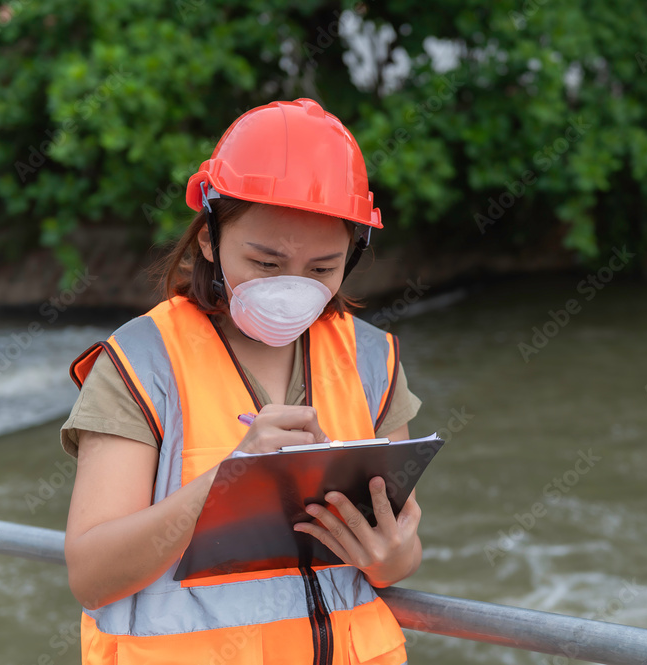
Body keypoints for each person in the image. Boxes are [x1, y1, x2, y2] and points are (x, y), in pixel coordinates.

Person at [60, 98, 423, 665]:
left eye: (323, 268)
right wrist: (226, 483)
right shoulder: (139, 363)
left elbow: (399, 560)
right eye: (266, 262)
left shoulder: (373, 359)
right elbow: (92, 575)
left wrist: (388, 554)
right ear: (209, 238)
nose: (294, 287)